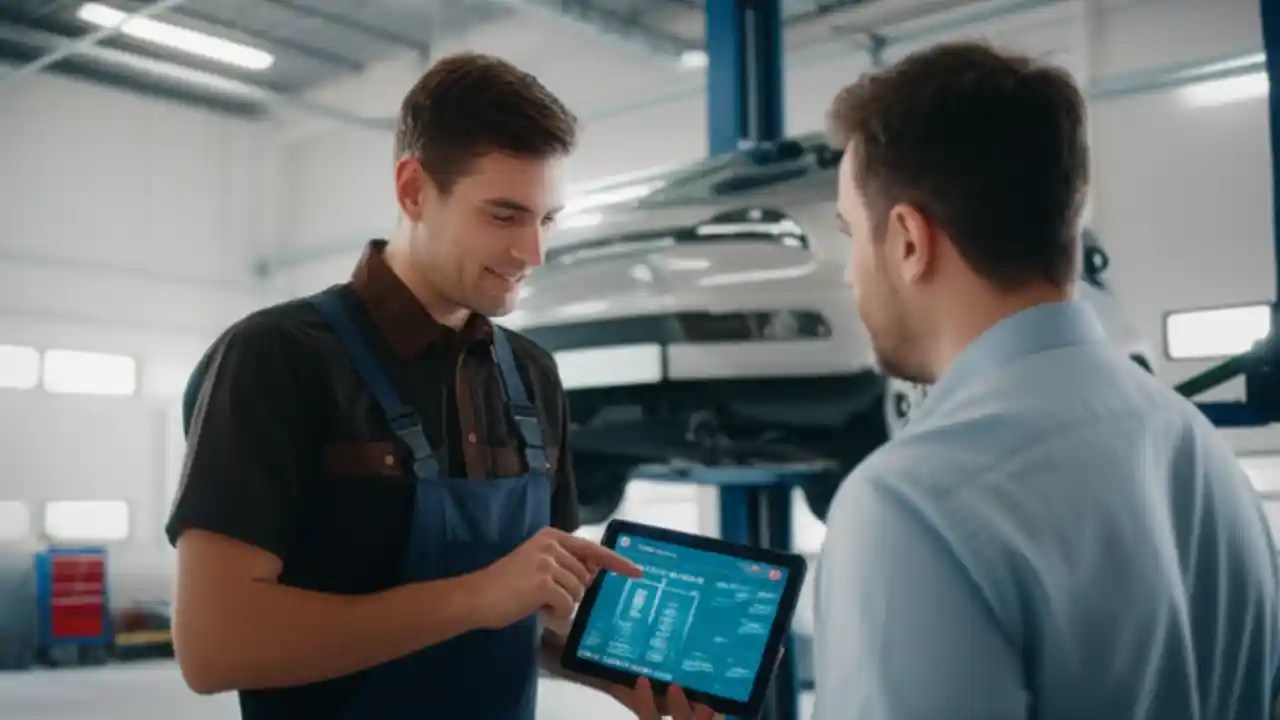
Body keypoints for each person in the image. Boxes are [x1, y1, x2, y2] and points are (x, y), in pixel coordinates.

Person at [166, 51, 713, 720]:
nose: (533, 253)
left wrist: (616, 675)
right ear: (413, 191)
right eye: (505, 216)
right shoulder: (275, 359)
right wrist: (474, 597)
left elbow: (525, 611)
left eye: (547, 219)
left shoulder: (534, 375)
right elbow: (215, 647)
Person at [812, 41, 1280, 719]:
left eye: (851, 235)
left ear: (910, 240)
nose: (851, 274)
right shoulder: (1202, 454)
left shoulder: (909, 506)